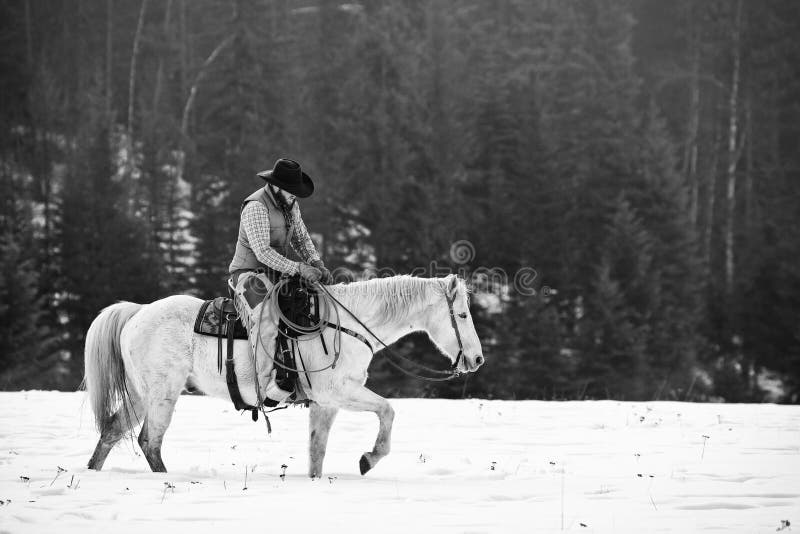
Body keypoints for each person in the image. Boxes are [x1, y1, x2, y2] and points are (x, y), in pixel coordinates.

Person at [228, 158, 332, 405]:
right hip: (248, 273)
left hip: (277, 273)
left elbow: (301, 239)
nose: (295, 196)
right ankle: (263, 386)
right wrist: (299, 268)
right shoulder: (256, 206)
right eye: (291, 191)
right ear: (276, 187)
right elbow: (262, 252)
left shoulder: (290, 204)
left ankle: (301, 375)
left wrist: (316, 262)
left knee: (310, 307)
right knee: (266, 318)